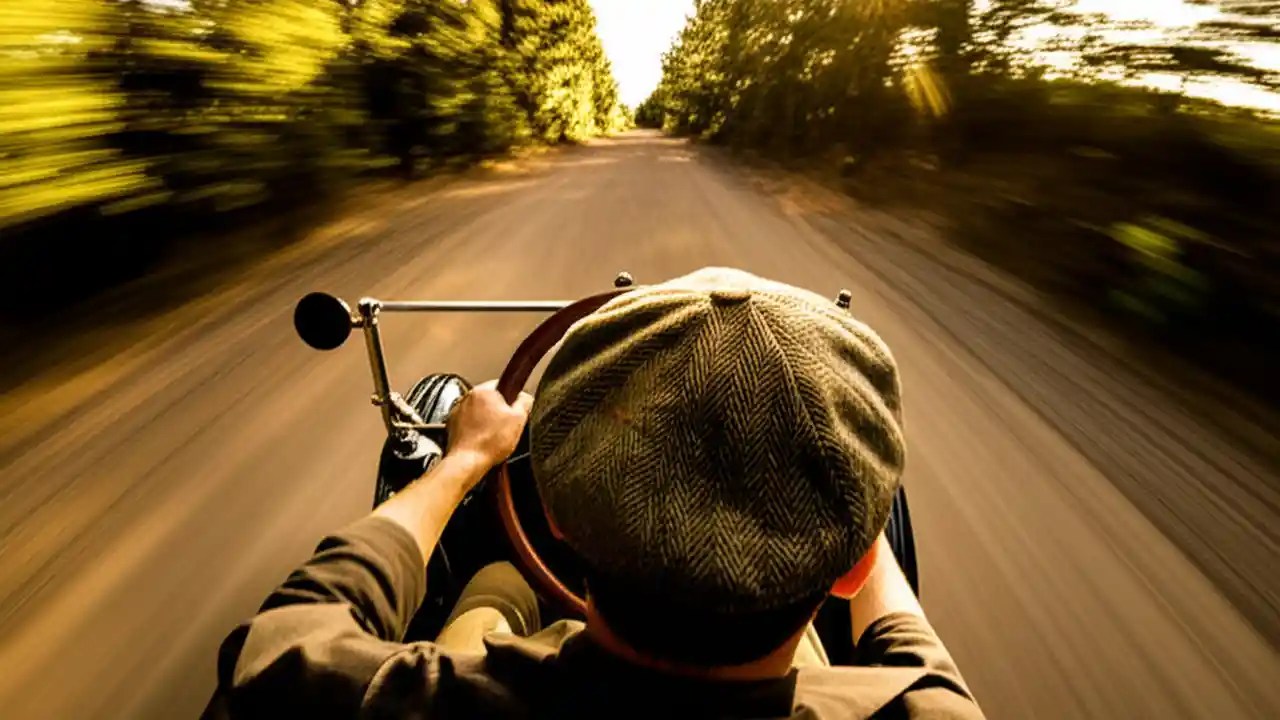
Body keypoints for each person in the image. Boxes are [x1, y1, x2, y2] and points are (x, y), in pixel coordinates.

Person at [208, 268, 984, 719]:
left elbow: (278, 640)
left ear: (553, 512)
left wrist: (464, 461)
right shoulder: (926, 709)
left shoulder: (395, 701)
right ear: (849, 567)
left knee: (497, 584)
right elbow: (907, 637)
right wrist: (839, 490)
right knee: (812, 649)